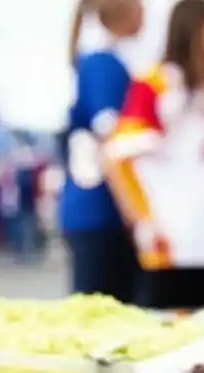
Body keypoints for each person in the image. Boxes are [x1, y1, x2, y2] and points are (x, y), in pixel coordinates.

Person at [106, 0, 204, 310]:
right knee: (170, 332)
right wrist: (144, 220)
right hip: (174, 235)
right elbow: (117, 156)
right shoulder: (158, 83)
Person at [59, 0, 145, 302]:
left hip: (100, 212)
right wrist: (135, 210)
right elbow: (112, 141)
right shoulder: (103, 63)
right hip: (101, 210)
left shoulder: (104, 61)